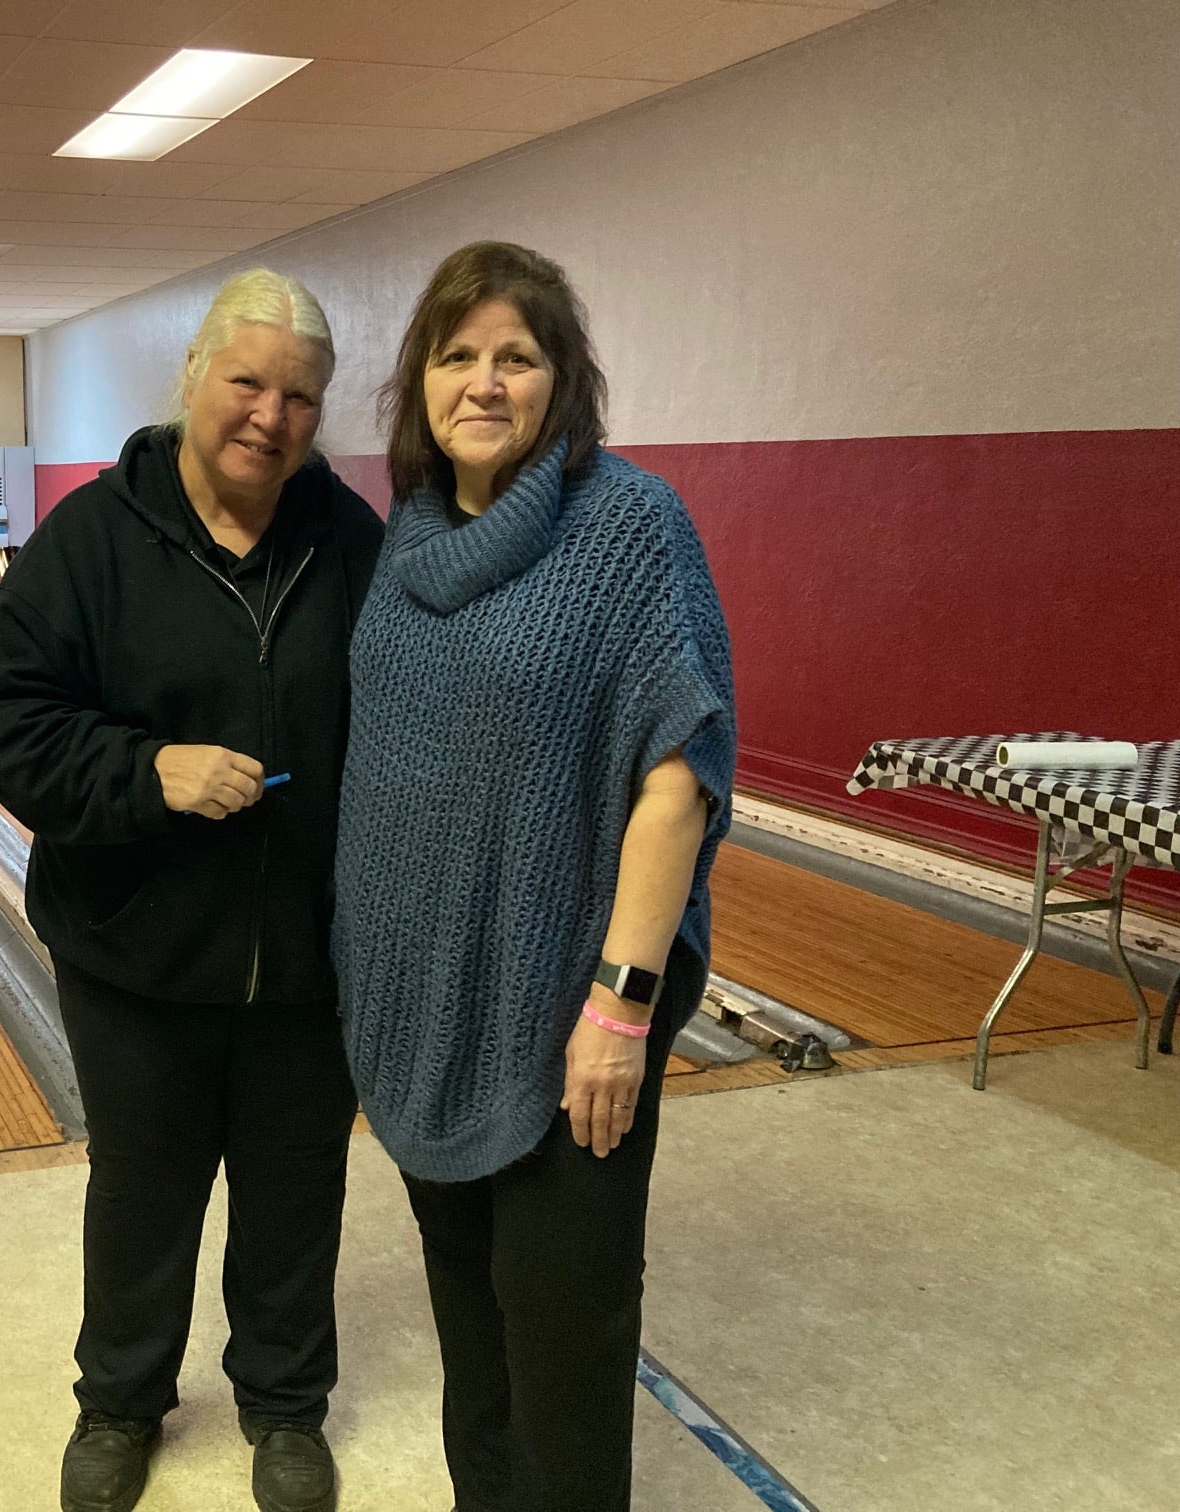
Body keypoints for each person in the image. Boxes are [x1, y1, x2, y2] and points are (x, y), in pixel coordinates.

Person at [0, 268, 386, 1512]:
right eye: (247, 382)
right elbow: (10, 721)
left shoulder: (353, 544)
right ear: (194, 377)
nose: (270, 416)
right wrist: (147, 772)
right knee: (144, 1190)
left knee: (294, 1191)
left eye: (300, 397)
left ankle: (286, 1406)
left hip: (307, 951)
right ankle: (120, 1404)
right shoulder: (90, 541)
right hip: (133, 947)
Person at [334, 241, 736, 1512]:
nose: (486, 382)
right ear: (419, 382)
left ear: (565, 380)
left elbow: (679, 775)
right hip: (423, 1002)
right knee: (471, 1324)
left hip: (571, 1006)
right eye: (458, 355)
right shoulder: (405, 539)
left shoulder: (629, 525)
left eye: (518, 356)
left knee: (561, 1331)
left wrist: (622, 1006)